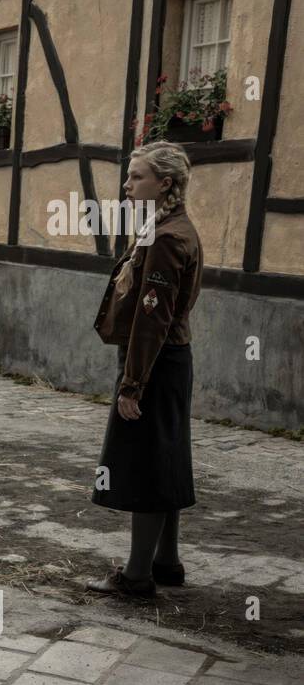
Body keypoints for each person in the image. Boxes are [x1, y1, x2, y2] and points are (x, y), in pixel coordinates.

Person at [88, 142, 203, 598]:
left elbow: (151, 319)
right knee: (166, 460)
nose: (128, 184)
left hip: (154, 363)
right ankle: (166, 561)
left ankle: (136, 577)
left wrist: (132, 384)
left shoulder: (169, 236)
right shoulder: (167, 227)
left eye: (137, 177)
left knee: (144, 466)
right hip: (169, 360)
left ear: (166, 183)